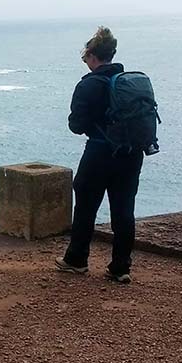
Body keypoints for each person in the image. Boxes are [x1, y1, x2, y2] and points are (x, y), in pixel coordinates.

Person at [55, 26, 143, 284]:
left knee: (85, 206)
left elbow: (76, 125)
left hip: (100, 152)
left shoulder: (90, 84)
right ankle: (120, 267)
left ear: (93, 56)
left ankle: (76, 260)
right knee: (124, 211)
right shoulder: (130, 83)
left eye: (86, 58)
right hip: (131, 153)